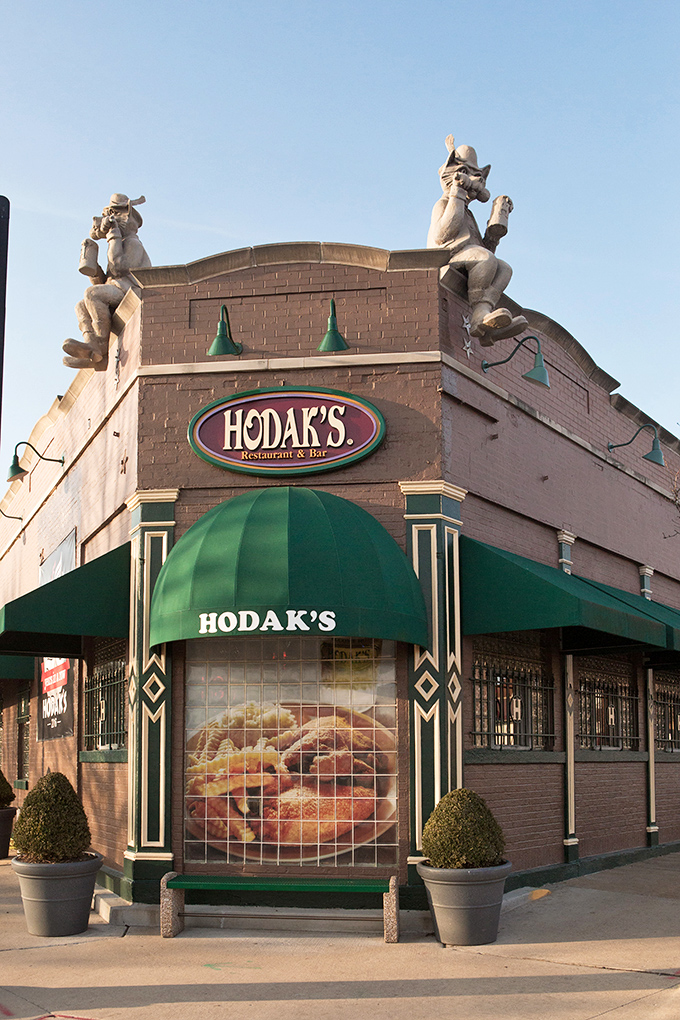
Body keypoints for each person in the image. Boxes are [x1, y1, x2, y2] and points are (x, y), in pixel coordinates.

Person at [427, 137, 527, 345]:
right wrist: (457, 194)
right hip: (448, 255)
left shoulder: (468, 213)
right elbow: (443, 235)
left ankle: (484, 321)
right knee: (485, 258)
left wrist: (493, 236)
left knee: (504, 268)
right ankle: (479, 319)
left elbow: (482, 249)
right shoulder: (444, 203)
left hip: (469, 257)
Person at [62, 194, 151, 369]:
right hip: (117, 288)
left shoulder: (133, 244)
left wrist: (113, 236)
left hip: (130, 290)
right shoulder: (119, 242)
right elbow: (103, 282)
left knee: (91, 294)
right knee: (81, 305)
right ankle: (94, 352)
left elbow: (118, 268)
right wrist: (93, 268)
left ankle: (100, 345)